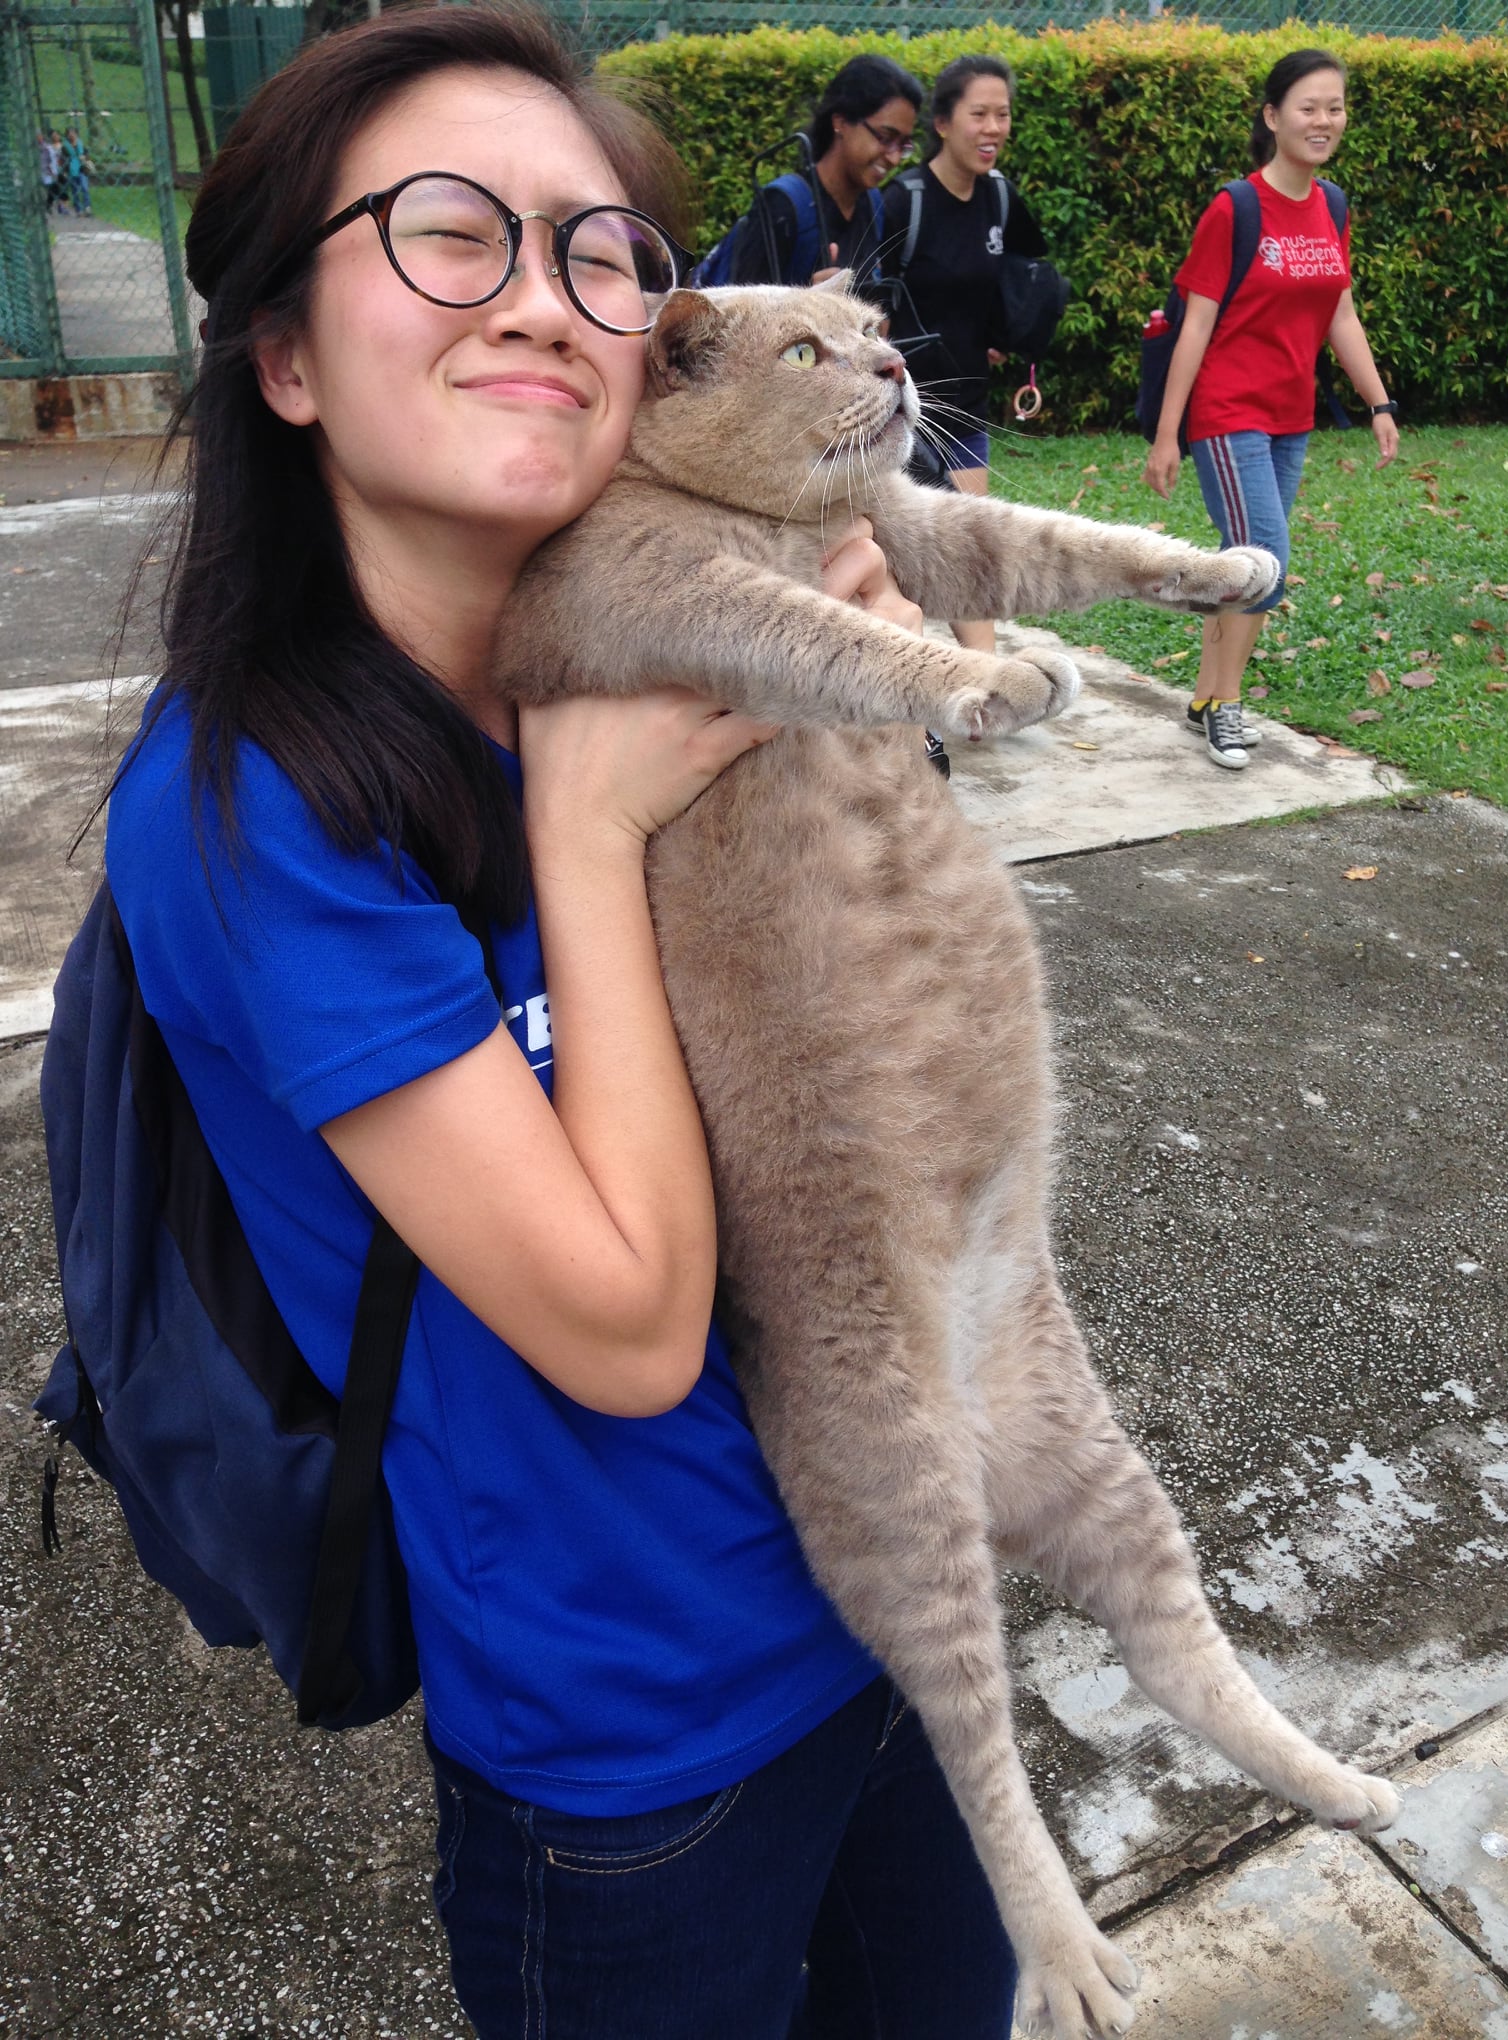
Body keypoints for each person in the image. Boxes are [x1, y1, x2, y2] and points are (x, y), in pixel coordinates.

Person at [100, 5, 1015, 2035]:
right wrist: (587, 840)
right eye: (452, 235)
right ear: (280, 359)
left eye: (601, 255)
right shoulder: (256, 811)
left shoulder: (685, 647)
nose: (543, 302)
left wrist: (866, 717)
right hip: (637, 1750)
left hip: (897, 1609)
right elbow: (623, 1329)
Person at [1143, 49, 1399, 769]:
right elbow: (1195, 326)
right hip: (1226, 412)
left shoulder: (1333, 205)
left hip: (1291, 415)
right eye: (1309, 107)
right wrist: (1169, 436)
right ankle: (1227, 705)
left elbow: (1340, 312)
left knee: (1241, 560)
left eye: (1335, 107)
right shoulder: (1236, 208)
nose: (1324, 120)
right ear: (1273, 116)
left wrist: (1379, 402)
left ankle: (1203, 698)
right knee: (1267, 563)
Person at [880, 55, 1047, 655]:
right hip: (897, 415)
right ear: (944, 123)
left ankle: (982, 678)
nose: (994, 128)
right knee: (910, 557)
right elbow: (865, 301)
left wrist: (1013, 330)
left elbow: (1027, 272)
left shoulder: (999, 198)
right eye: (979, 113)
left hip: (967, 405)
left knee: (967, 554)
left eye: (1003, 115)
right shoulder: (903, 203)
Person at [728, 53, 922, 287]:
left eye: (904, 145)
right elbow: (734, 312)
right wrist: (808, 300)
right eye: (884, 137)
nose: (895, 157)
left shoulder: (872, 205)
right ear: (840, 122)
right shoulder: (783, 207)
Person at [62, 124, 92, 215]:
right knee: (75, 190)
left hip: (82, 169)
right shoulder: (65, 147)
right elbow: (63, 160)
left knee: (85, 188)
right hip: (71, 170)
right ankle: (78, 209)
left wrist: (84, 158)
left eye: (73, 133)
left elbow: (87, 156)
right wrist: (65, 171)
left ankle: (87, 207)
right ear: (67, 135)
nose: (71, 135)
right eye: (69, 134)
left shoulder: (81, 144)